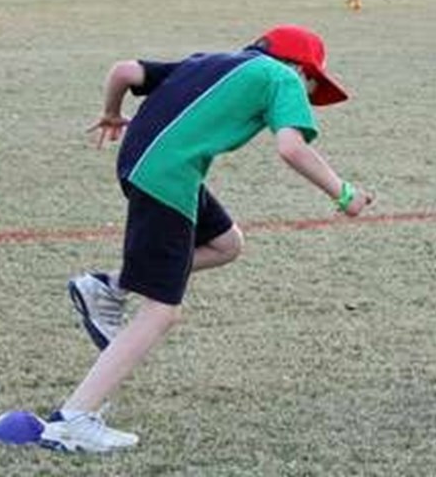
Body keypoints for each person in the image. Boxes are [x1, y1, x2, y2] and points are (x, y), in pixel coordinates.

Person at [38, 25, 374, 453]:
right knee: (161, 312)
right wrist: (344, 193)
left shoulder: (209, 62)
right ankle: (73, 419)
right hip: (169, 175)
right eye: (313, 84)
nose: (307, 94)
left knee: (227, 243)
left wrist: (111, 113)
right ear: (301, 67)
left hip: (142, 162)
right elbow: (291, 148)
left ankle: (109, 286)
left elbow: (124, 71)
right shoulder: (283, 77)